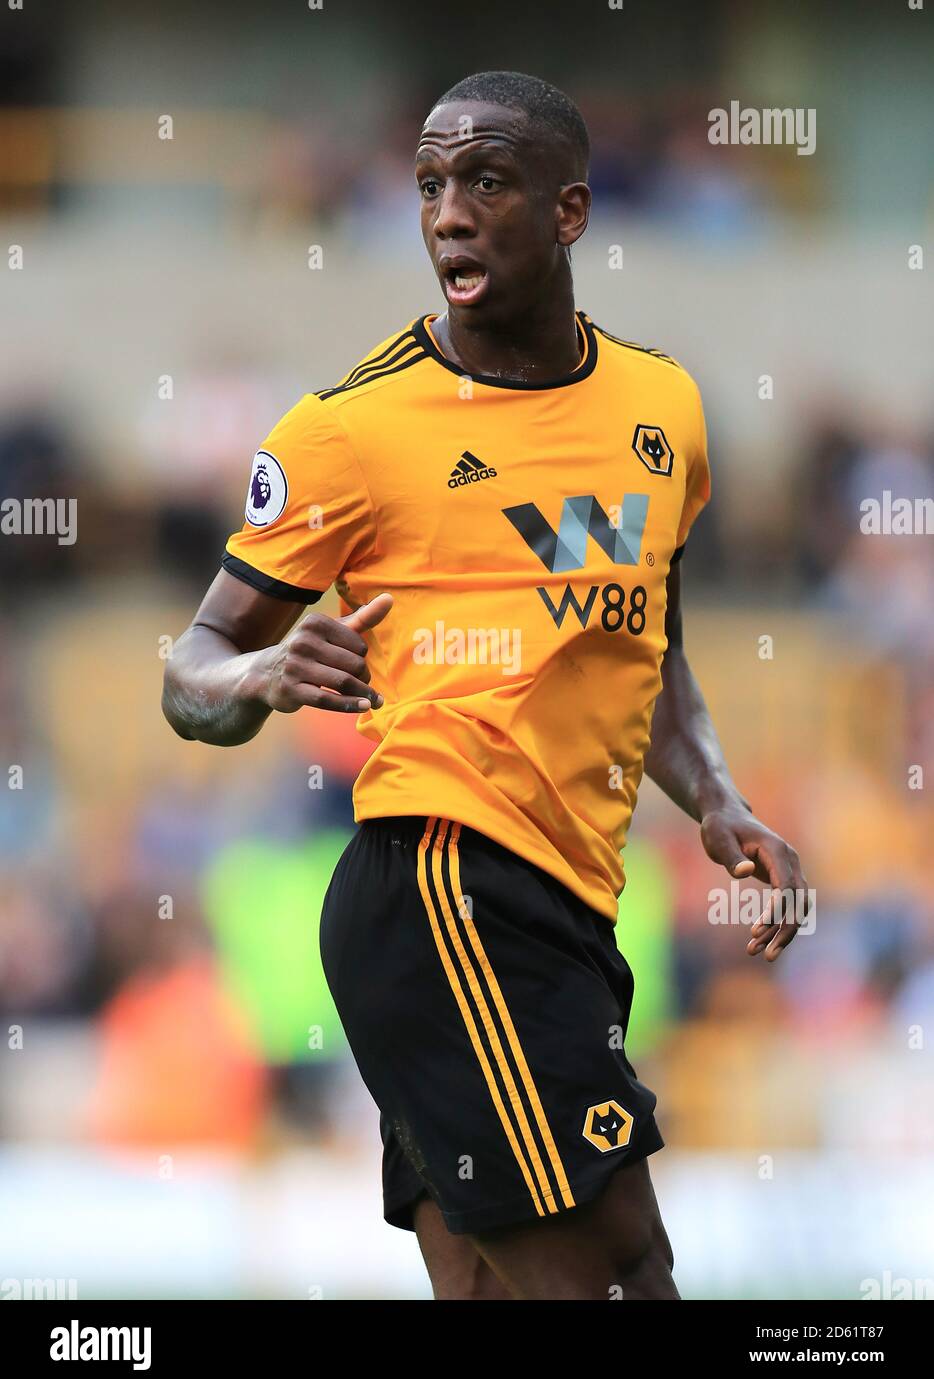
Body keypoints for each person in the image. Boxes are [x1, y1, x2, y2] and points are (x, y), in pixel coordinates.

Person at [162, 70, 808, 1300]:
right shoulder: (346, 432)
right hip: (447, 888)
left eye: (486, 183)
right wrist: (259, 668)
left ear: (569, 212)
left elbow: (645, 646)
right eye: (428, 186)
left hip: (570, 908)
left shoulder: (660, 406)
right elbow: (189, 672)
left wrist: (715, 798)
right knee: (625, 1269)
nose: (448, 213)